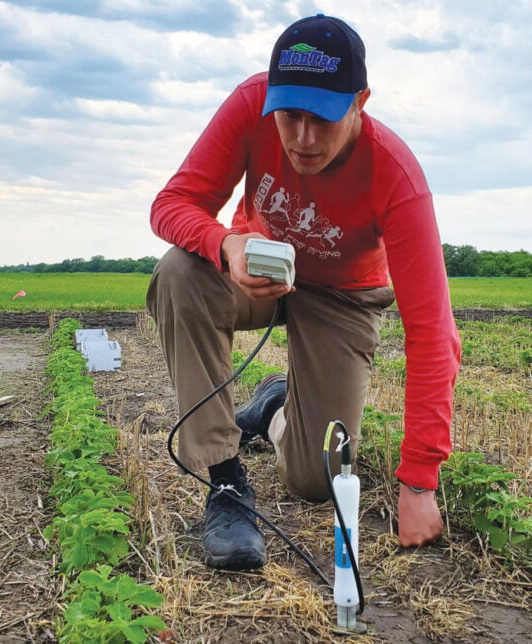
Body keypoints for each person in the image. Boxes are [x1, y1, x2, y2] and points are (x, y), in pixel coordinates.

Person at [146, 14, 461, 571]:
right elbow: (171, 204)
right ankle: (224, 481)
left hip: (343, 295)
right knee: (179, 273)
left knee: (316, 479)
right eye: (289, 115)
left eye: (323, 118)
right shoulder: (250, 105)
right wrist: (226, 245)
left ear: (359, 101)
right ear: (271, 99)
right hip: (259, 274)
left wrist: (418, 481)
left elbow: (432, 332)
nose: (302, 138)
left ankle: (273, 408)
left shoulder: (396, 176)